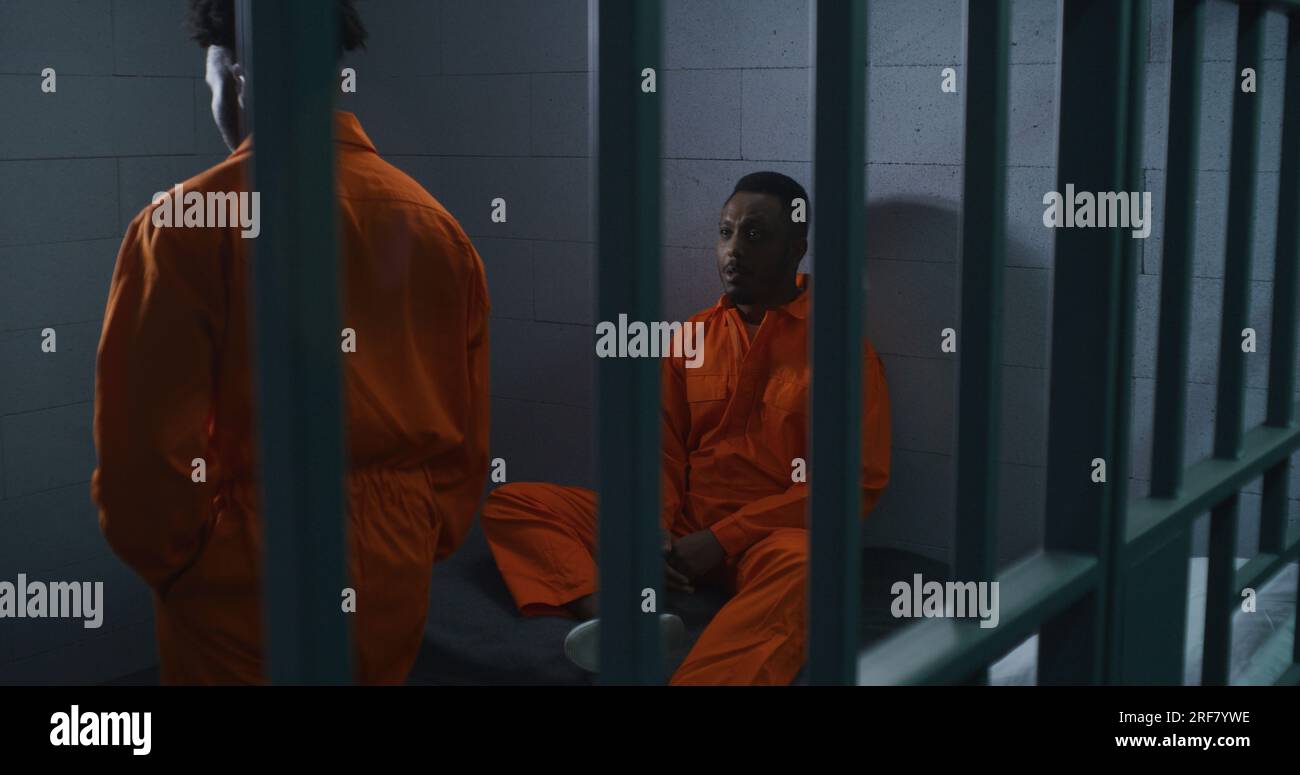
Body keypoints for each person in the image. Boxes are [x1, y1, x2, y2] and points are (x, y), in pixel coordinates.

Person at [91, 0, 490, 684]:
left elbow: (145, 461)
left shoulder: (184, 225)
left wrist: (187, 565)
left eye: (211, 80)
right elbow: (467, 433)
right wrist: (421, 535)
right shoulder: (438, 228)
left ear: (237, 71)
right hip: (393, 575)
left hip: (249, 573)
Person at [481, 172, 890, 684]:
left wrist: (722, 539)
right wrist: (652, 530)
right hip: (679, 530)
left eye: (755, 235)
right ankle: (613, 620)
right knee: (516, 502)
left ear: (797, 248)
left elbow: (852, 484)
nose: (733, 250)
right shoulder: (691, 336)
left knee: (808, 567)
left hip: (766, 541)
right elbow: (662, 450)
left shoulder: (839, 349)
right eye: (725, 232)